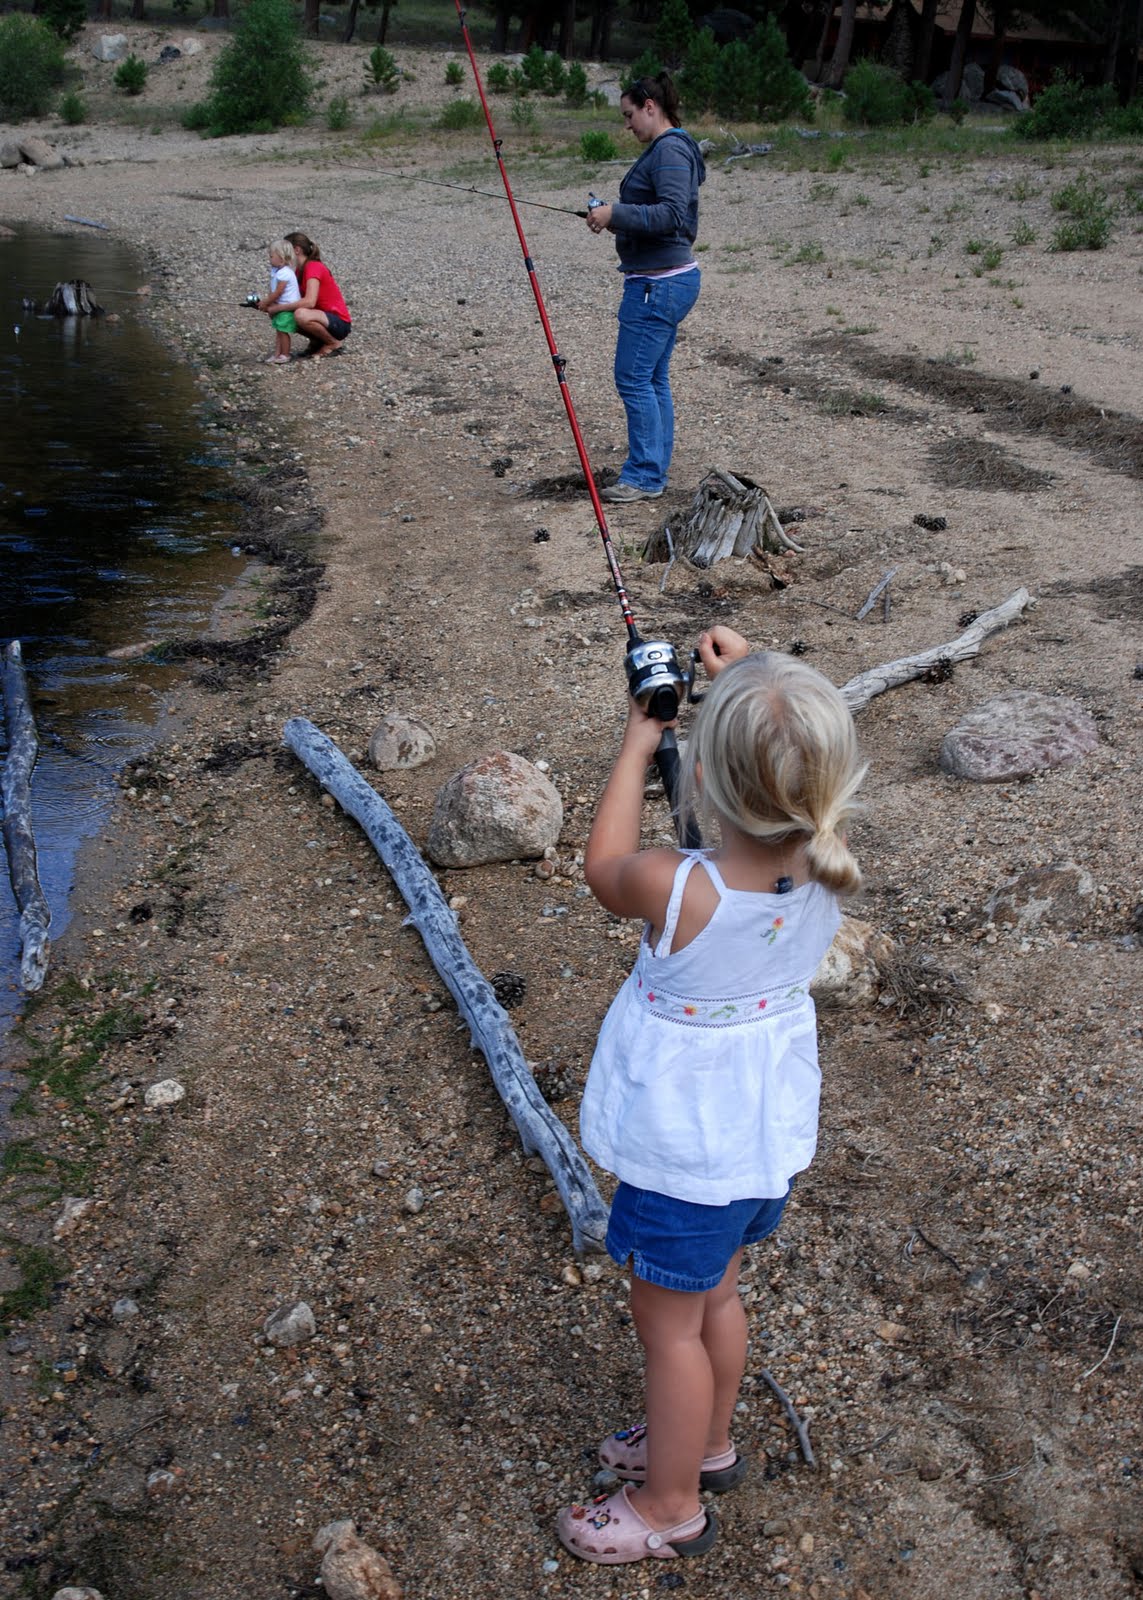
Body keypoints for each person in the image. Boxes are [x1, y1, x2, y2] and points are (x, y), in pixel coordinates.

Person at [557, 626, 867, 1566]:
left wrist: (639, 738)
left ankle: (669, 1504)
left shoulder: (676, 886)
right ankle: (705, 1444)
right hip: (758, 1145)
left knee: (670, 1335)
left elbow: (600, 865)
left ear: (703, 780)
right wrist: (753, 685)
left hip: (685, 1157)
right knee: (715, 1298)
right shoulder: (825, 861)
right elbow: (788, 764)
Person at [585, 73, 705, 504]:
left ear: (650, 106)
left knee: (634, 377)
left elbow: (671, 214)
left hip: (659, 284)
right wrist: (614, 217)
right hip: (663, 279)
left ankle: (644, 476)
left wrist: (615, 213)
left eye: (629, 115)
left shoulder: (670, 149)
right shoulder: (670, 148)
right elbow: (660, 212)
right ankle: (652, 469)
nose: (627, 124)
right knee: (652, 378)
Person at [283, 231, 352, 358]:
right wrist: (269, 305)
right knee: (284, 315)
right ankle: (317, 341)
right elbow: (293, 298)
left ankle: (333, 343)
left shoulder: (313, 267)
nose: (282, 254)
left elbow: (310, 302)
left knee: (300, 314)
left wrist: (279, 307)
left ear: (297, 250)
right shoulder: (299, 270)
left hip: (339, 322)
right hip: (322, 318)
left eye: (285, 250)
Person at [258, 239, 300, 365]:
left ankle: (285, 354)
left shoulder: (285, 273)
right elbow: (272, 290)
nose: (269, 259)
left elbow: (278, 292)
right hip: (280, 305)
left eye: (272, 256)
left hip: (287, 307)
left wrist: (266, 303)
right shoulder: (277, 271)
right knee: (278, 330)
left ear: (281, 259)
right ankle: (277, 353)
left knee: (283, 331)